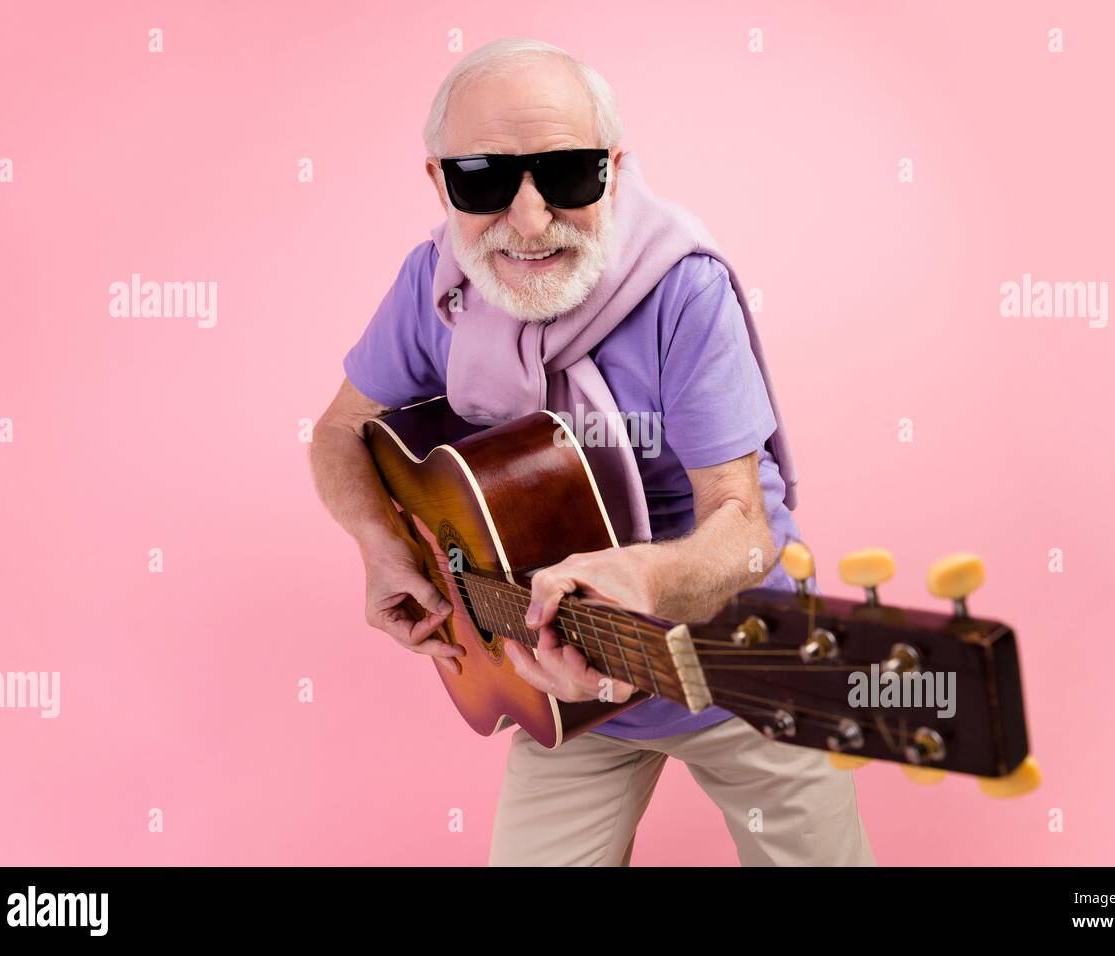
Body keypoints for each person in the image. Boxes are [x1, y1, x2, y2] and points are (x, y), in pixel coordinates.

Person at [309, 36, 874, 867]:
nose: (530, 219)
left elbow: (744, 526)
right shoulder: (436, 284)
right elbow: (336, 433)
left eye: (568, 174)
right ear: (438, 181)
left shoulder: (683, 288)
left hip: (744, 667)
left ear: (611, 167)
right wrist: (385, 547)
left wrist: (641, 579)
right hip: (563, 694)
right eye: (485, 179)